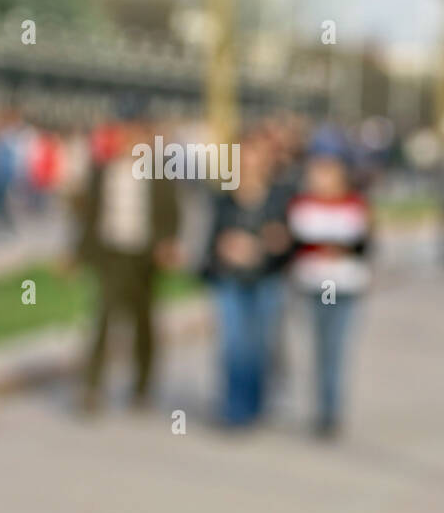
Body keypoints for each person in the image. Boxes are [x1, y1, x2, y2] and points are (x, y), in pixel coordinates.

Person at [72, 109, 181, 412]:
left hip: (144, 256)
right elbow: (89, 215)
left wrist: (168, 243)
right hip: (111, 253)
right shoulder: (102, 170)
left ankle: (142, 386)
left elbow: (171, 212)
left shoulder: (158, 172)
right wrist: (76, 253)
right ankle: (92, 386)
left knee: (143, 320)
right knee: (105, 315)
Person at [200, 132, 293, 427]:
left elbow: (289, 241)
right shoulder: (222, 199)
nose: (248, 162)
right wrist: (225, 248)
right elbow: (209, 241)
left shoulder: (281, 197)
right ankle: (234, 407)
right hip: (230, 279)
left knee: (259, 346)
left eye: (254, 156)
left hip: (266, 280)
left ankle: (256, 403)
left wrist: (269, 245)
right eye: (243, 156)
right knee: (233, 345)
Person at [287, 129, 372, 438]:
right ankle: (319, 407)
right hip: (311, 285)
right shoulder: (300, 202)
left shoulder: (355, 203)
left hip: (345, 287)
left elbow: (363, 244)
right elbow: (295, 243)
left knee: (336, 350)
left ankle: (331, 413)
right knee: (317, 349)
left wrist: (339, 248)